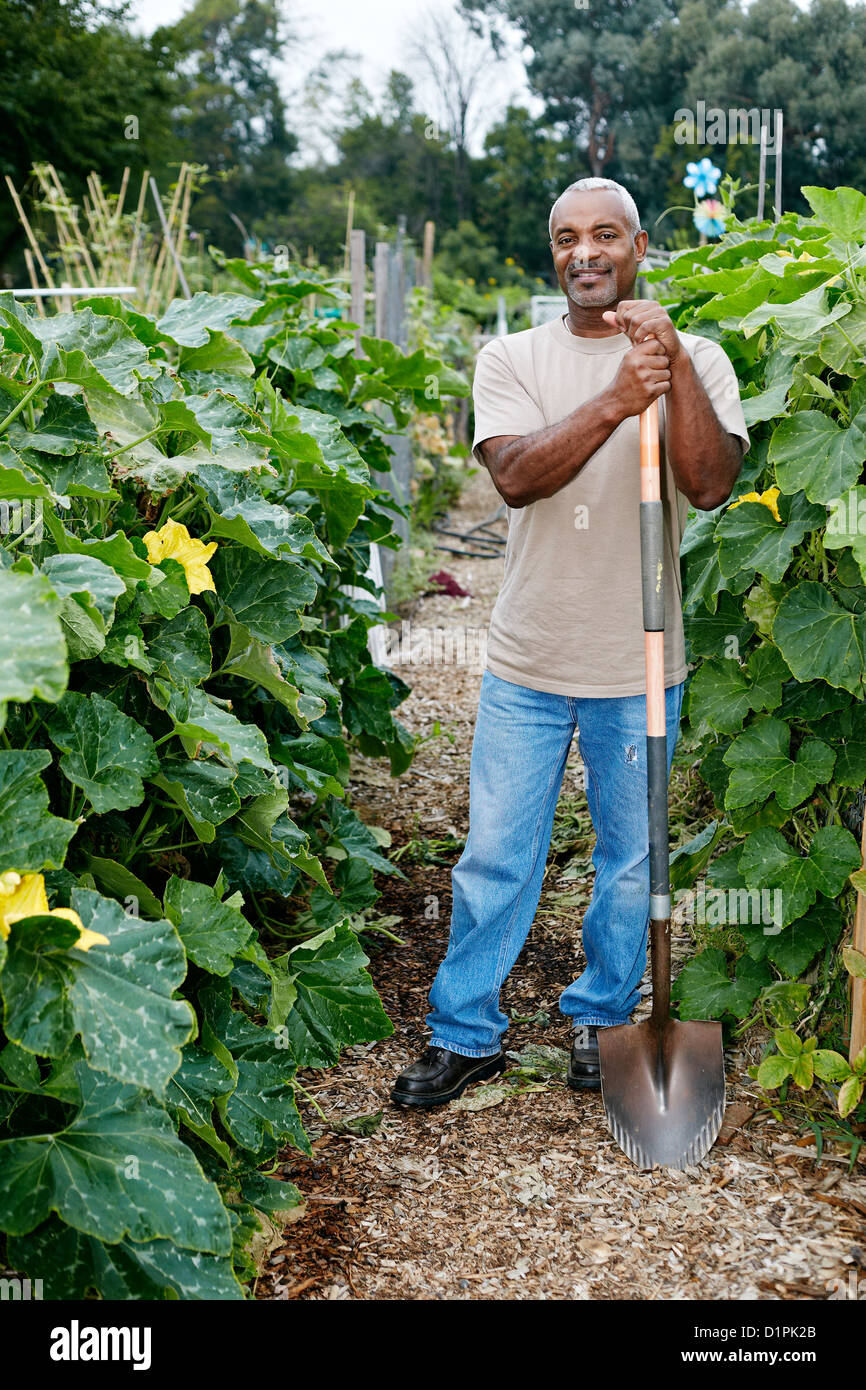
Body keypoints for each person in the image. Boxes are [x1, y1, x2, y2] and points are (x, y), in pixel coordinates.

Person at [390, 178, 749, 1108]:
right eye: (564, 238)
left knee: (632, 863)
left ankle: (601, 1020)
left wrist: (666, 369)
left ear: (638, 248)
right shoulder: (510, 357)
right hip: (529, 661)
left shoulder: (694, 356)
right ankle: (467, 1033)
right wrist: (617, 399)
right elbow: (513, 476)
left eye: (603, 236)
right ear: (553, 255)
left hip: (640, 663)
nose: (583, 252)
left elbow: (710, 485)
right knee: (497, 858)